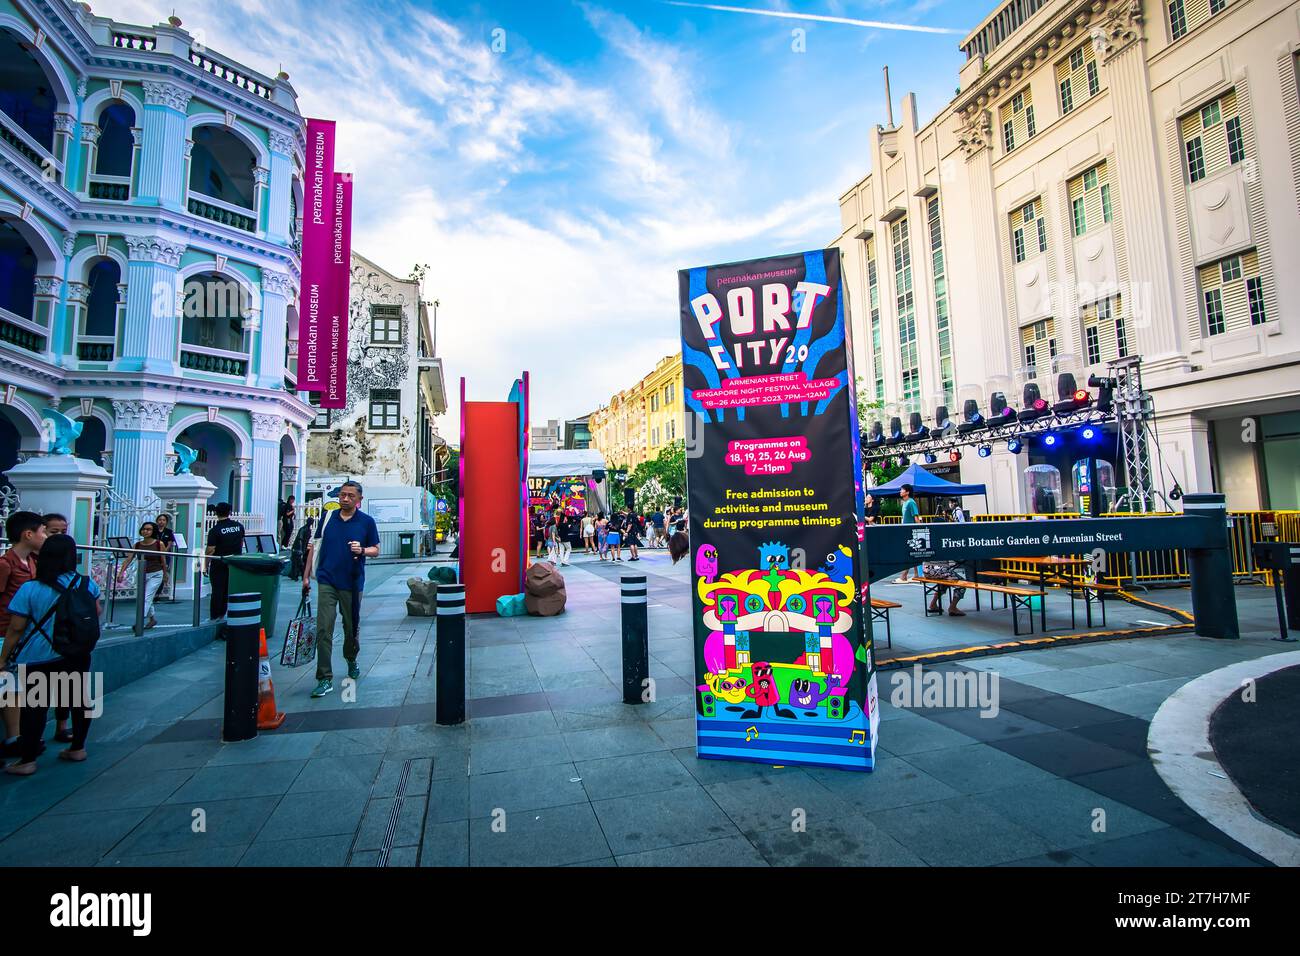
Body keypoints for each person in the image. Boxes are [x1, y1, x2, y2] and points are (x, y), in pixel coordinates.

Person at [1, 534, 101, 774]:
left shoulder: (31, 588)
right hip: (76, 652)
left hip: (39, 655)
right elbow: (95, 612)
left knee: (35, 706)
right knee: (78, 698)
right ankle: (78, 748)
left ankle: (27, 760)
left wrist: (3, 658)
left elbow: (16, 627)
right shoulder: (87, 583)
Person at [303, 480, 379, 699]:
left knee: (350, 627)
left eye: (350, 496)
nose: (345, 499)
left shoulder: (366, 522)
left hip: (353, 583)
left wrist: (363, 549)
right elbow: (314, 547)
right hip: (327, 580)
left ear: (359, 500)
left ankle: (351, 658)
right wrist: (306, 576)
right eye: (342, 495)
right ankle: (324, 677)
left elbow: (376, 549)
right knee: (323, 629)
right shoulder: (327, 519)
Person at [0, 512, 47, 758]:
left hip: (22, 636)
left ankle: (15, 737)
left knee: (13, 689)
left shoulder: (32, 562)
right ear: (28, 534)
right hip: (4, 632)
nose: (46, 536)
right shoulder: (5, 564)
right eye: (43, 532)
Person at [119, 521, 165, 629]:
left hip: (156, 574)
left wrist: (165, 574)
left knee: (146, 597)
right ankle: (152, 619)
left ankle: (139, 621)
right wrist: (121, 572)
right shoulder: (137, 545)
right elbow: (129, 559)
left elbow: (163, 559)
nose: (145, 531)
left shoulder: (159, 544)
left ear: (153, 531)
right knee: (145, 597)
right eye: (144, 529)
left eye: (148, 529)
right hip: (142, 574)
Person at [204, 502, 245, 621]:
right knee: (229, 589)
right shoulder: (239, 526)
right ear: (230, 512)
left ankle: (216, 615)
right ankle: (227, 613)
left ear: (216, 512)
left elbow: (211, 550)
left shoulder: (215, 530)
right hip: (234, 562)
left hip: (219, 563)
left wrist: (205, 565)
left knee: (217, 590)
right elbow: (241, 542)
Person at [895, 484, 919, 584]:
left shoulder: (911, 502)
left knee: (909, 553)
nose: (900, 491)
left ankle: (904, 576)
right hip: (906, 530)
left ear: (907, 492)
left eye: (902, 490)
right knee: (912, 553)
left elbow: (916, 517)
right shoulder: (904, 503)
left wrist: (918, 529)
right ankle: (916, 575)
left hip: (911, 530)